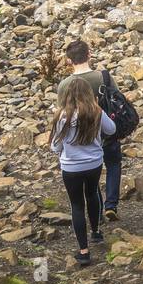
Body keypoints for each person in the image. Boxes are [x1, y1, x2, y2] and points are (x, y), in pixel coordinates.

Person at [49, 73, 115, 266]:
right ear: (89, 93)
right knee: (93, 194)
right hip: (94, 163)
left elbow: (55, 147)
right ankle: (96, 232)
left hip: (71, 167)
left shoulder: (62, 115)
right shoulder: (96, 111)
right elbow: (111, 129)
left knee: (76, 205)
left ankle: (84, 252)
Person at [57, 40, 127, 223]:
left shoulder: (64, 85)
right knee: (113, 164)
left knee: (91, 173)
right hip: (106, 130)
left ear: (69, 61)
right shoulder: (103, 77)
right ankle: (111, 205)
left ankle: (98, 208)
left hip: (82, 137)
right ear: (89, 54)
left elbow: (62, 114)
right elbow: (117, 99)